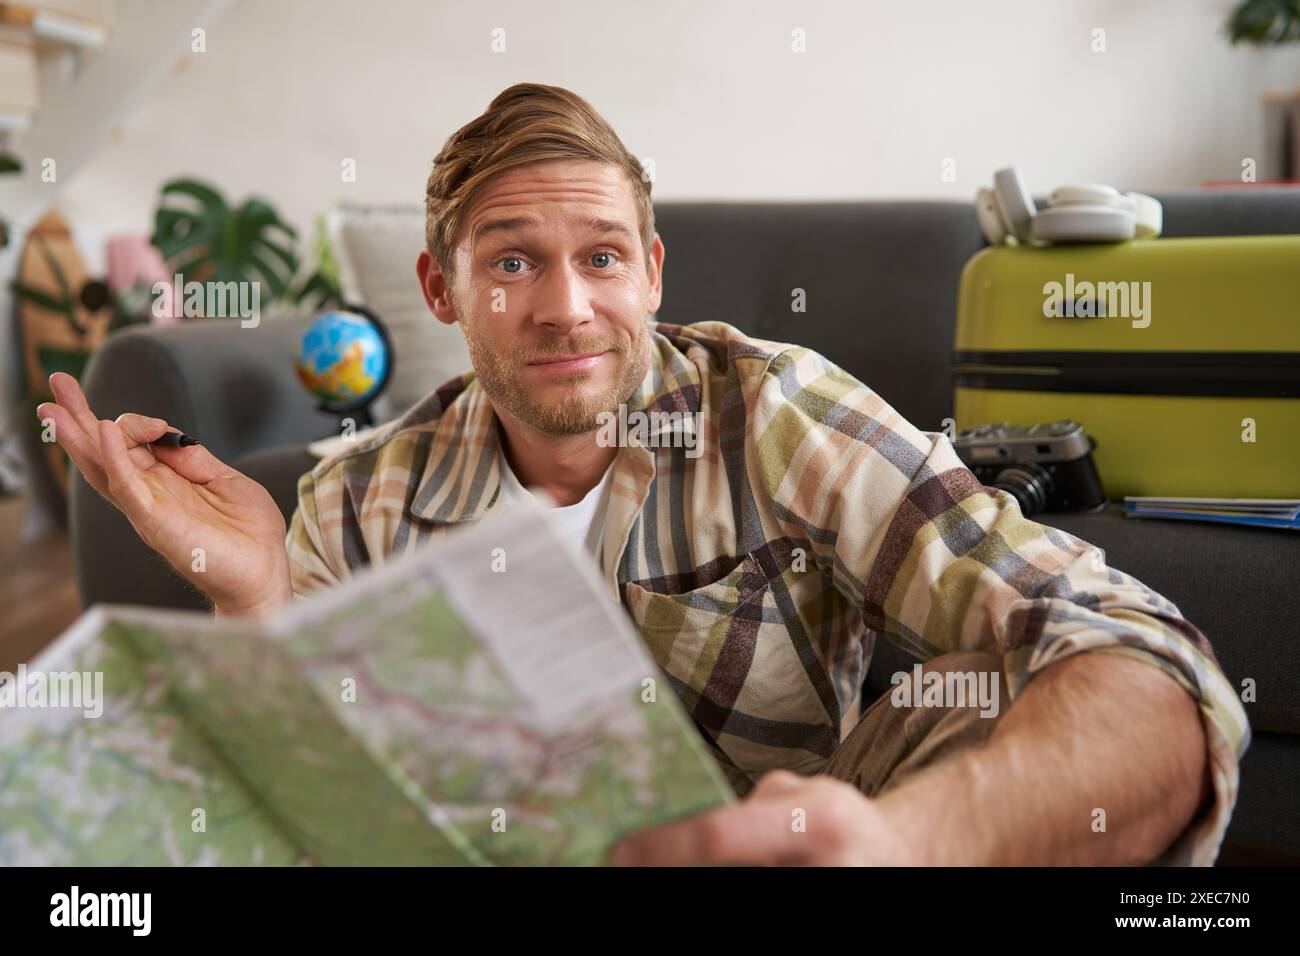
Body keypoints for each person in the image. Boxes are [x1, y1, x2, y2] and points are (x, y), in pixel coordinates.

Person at [39, 82, 1248, 866]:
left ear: (652, 271)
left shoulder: (774, 409)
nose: (565, 308)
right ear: (439, 289)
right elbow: (315, 789)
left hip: (778, 849)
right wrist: (255, 596)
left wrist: (907, 843)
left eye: (601, 256)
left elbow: (1144, 657)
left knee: (1008, 682)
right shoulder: (362, 493)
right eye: (512, 262)